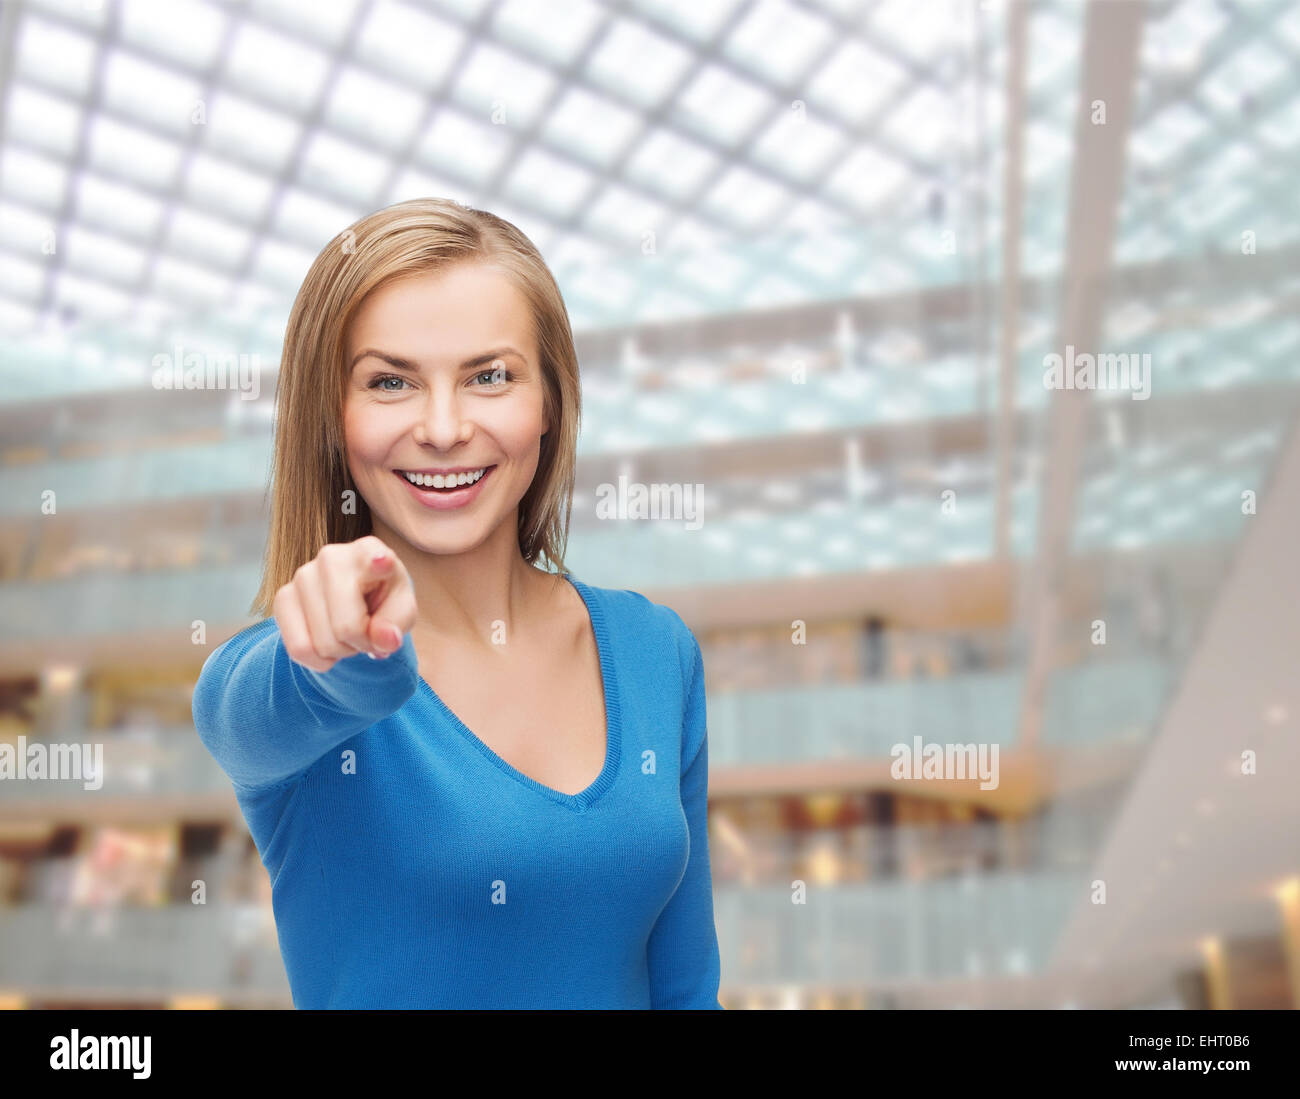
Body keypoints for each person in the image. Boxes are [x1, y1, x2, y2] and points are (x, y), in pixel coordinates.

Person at [192, 198, 723, 1009]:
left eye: (490, 376)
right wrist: (340, 648)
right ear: (333, 418)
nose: (443, 428)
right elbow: (239, 714)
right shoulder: (303, 669)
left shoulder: (657, 649)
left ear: (549, 400)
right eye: (390, 380)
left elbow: (686, 991)